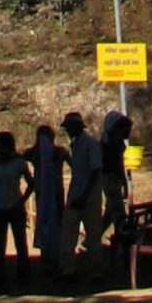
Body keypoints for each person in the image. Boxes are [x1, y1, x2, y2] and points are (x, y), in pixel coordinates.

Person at [0, 130, 35, 291]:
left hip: (14, 206)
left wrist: (22, 200)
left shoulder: (19, 163)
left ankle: (24, 273)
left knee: (20, 241)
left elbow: (31, 183)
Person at [58, 108, 104, 284]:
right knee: (68, 232)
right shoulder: (76, 145)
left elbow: (94, 171)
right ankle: (69, 269)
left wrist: (85, 195)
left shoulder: (90, 144)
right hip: (76, 193)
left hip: (89, 196)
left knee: (93, 235)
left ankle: (95, 271)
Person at [100, 108, 133, 272]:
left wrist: (124, 183)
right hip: (109, 179)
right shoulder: (107, 145)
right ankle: (119, 246)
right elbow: (113, 165)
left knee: (111, 212)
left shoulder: (116, 143)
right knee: (118, 214)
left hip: (114, 178)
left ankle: (93, 238)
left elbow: (120, 165)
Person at [28, 122, 64, 273]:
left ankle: (51, 256)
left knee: (46, 222)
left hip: (48, 193)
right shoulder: (58, 152)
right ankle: (52, 256)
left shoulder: (41, 153)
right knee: (52, 223)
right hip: (50, 192)